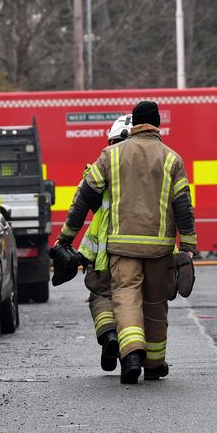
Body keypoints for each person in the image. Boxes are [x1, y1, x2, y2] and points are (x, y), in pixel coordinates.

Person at [56, 101, 196, 384]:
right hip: (160, 248)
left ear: (134, 125)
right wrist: (189, 248)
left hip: (122, 248)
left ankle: (131, 354)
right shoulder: (172, 159)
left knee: (126, 297)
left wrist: (66, 237)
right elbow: (183, 206)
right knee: (156, 303)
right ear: (157, 124)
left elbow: (84, 198)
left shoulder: (111, 155)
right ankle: (155, 365)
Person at [76, 114, 131, 372]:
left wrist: (64, 242)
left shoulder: (98, 170)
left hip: (104, 252)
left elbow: (80, 206)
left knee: (100, 295)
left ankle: (109, 335)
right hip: (146, 250)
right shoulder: (155, 170)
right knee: (139, 299)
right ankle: (145, 355)